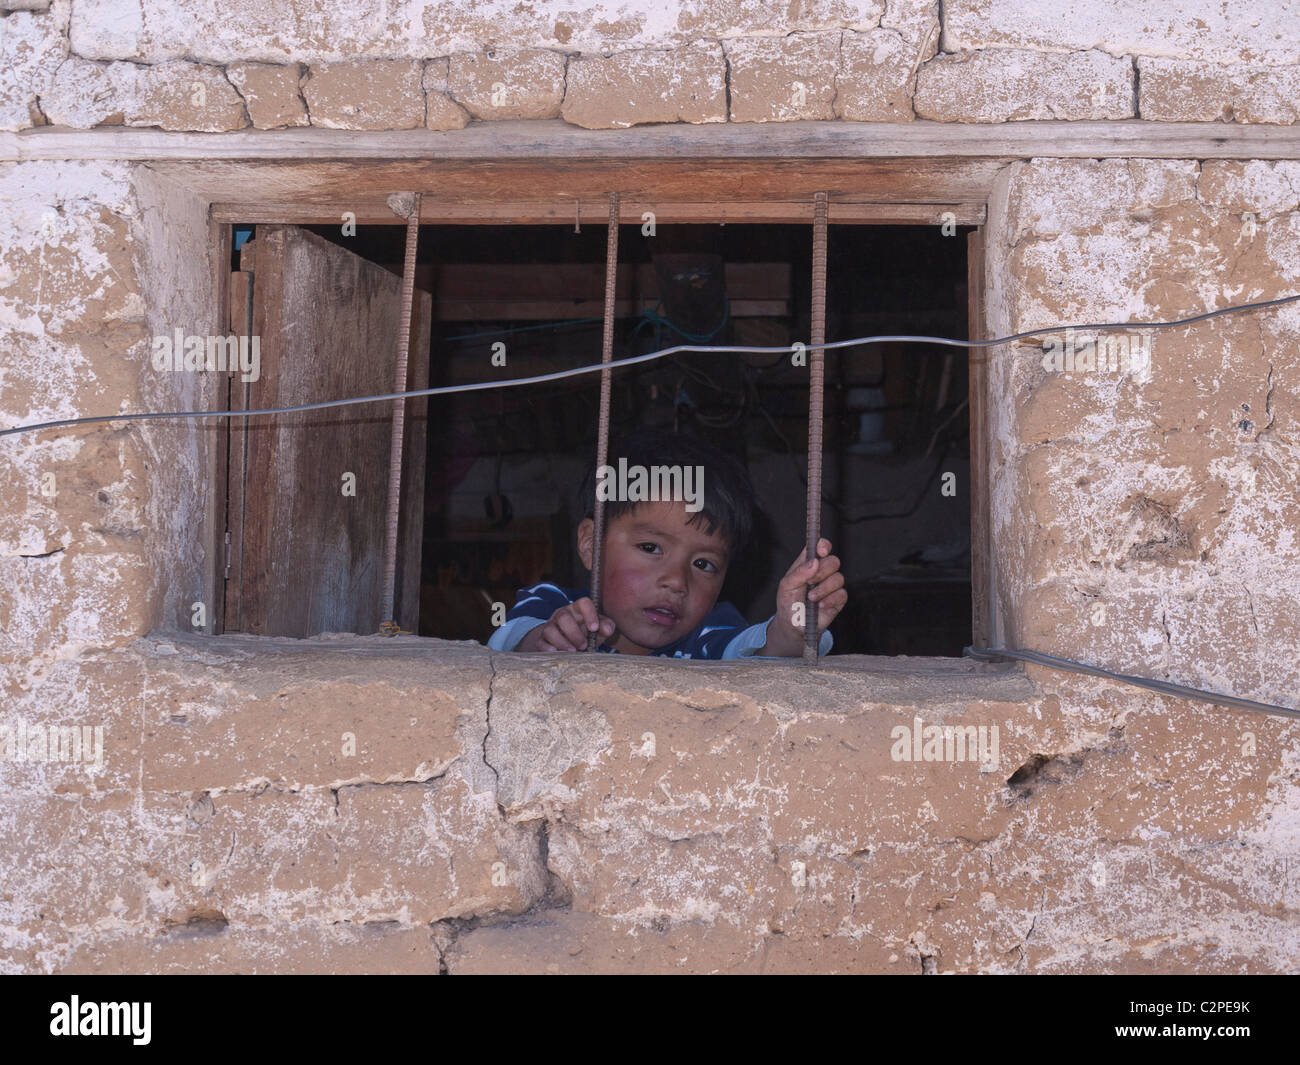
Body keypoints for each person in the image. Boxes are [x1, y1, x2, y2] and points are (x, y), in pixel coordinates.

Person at [487, 427, 846, 658]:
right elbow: (510, 639)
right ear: (589, 543)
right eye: (650, 548)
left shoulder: (706, 637)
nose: (677, 581)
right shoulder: (554, 604)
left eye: (703, 564)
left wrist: (791, 626)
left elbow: (757, 653)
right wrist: (548, 639)